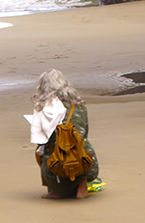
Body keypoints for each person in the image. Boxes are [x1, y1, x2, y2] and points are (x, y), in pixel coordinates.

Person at [26, 69, 101, 199]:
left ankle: (56, 189)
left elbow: (41, 139)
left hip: (57, 168)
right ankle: (82, 186)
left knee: (46, 149)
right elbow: (85, 132)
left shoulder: (44, 108)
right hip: (85, 163)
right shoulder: (78, 105)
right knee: (81, 143)